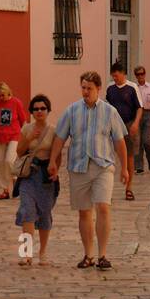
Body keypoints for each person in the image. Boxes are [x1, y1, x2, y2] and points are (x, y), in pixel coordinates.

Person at [47, 71, 128, 270]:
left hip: (103, 166)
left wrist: (125, 168)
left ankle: (103, 255)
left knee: (103, 207)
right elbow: (60, 138)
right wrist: (52, 162)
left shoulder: (110, 112)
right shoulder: (72, 111)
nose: (85, 92)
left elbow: (119, 141)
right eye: (83, 88)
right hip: (78, 167)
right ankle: (88, 254)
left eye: (89, 88)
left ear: (98, 89)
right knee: (84, 212)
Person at [13, 94, 58, 266]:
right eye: (36, 109)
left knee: (45, 214)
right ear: (31, 112)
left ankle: (43, 252)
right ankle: (26, 253)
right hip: (28, 175)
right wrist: (30, 137)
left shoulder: (54, 130)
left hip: (46, 176)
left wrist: (55, 170)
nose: (39, 111)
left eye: (42, 108)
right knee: (27, 212)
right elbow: (19, 151)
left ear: (48, 110)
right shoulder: (26, 129)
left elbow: (57, 153)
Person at [0, 82, 27, 199]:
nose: (1, 98)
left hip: (14, 136)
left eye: (2, 95)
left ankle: (16, 179)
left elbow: (23, 121)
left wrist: (26, 138)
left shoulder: (16, 103)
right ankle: (6, 189)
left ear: (8, 92)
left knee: (9, 161)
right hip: (0, 137)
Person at [106, 61, 142, 201]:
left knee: (129, 156)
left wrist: (136, 124)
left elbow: (139, 108)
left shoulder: (132, 88)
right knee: (110, 156)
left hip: (128, 125)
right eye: (113, 76)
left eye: (116, 76)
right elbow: (107, 106)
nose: (115, 78)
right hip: (113, 127)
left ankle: (129, 187)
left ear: (123, 74)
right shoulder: (110, 89)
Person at [133, 66, 150, 174]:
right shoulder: (134, 88)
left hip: (149, 115)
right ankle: (139, 166)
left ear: (145, 74)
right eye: (138, 74)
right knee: (137, 141)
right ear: (136, 76)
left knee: (146, 140)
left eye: (142, 74)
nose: (140, 76)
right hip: (137, 115)